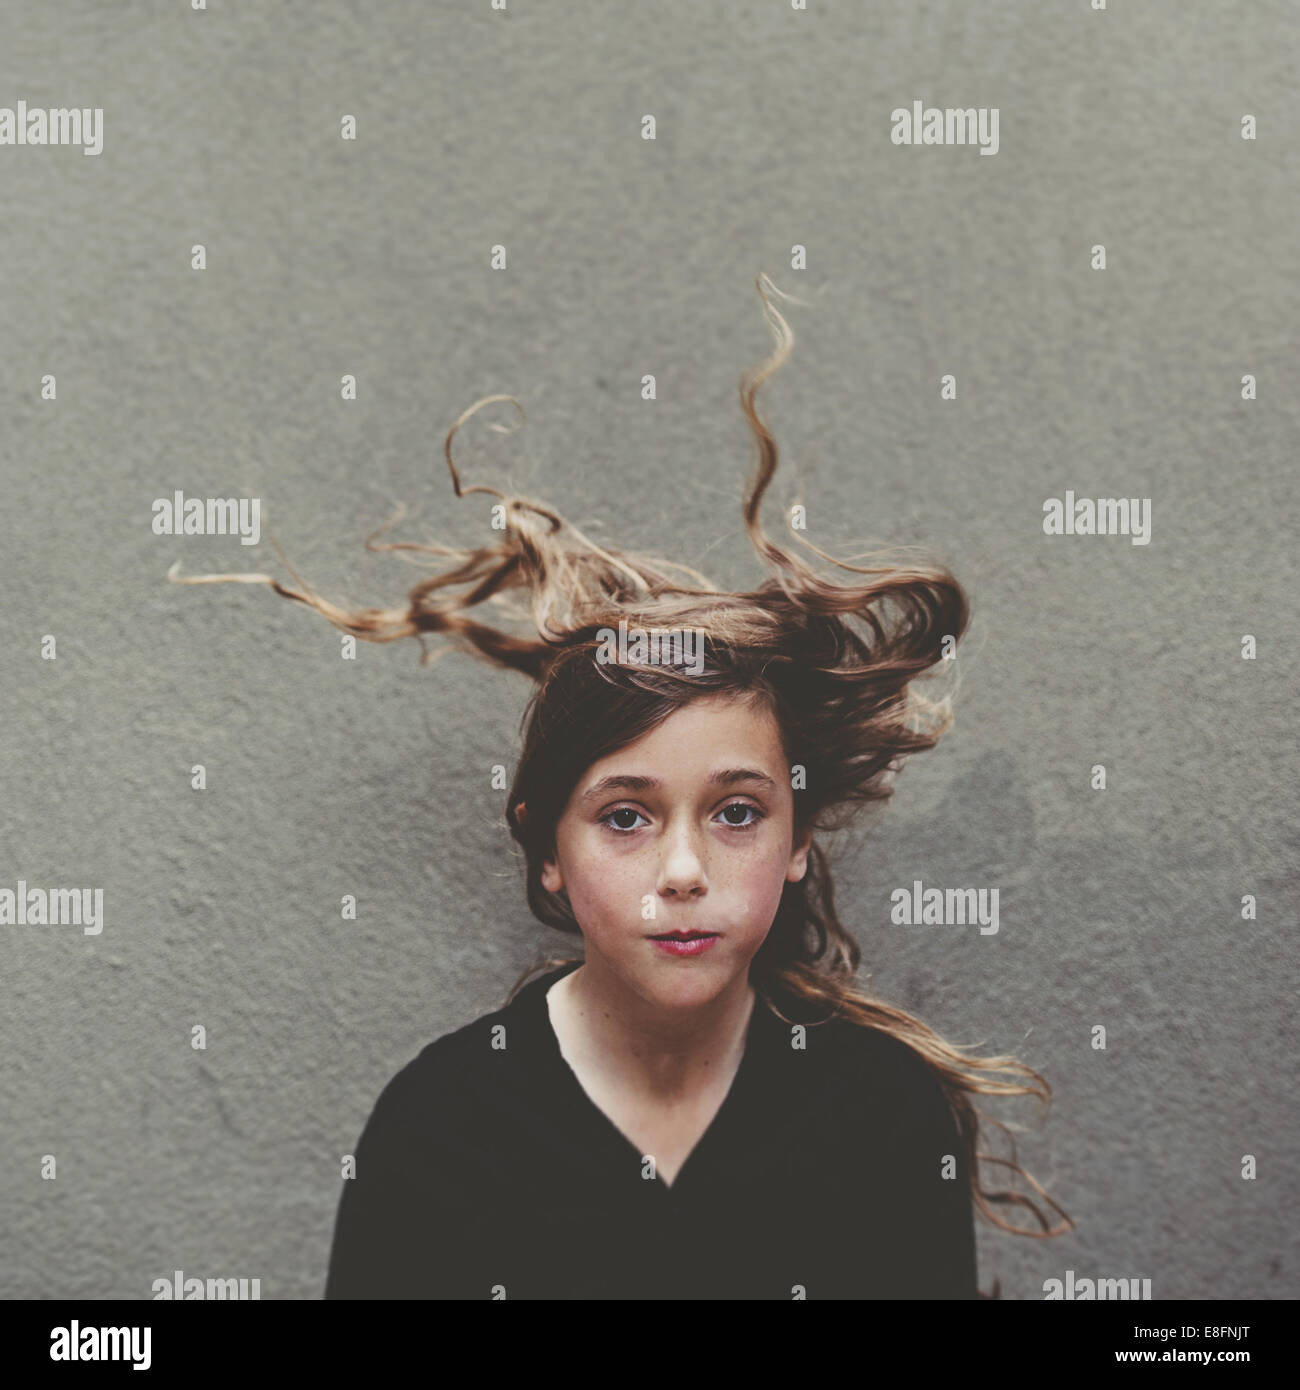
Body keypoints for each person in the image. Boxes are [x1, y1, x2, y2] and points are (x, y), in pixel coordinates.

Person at [172, 273, 1071, 1299]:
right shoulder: (441, 1128)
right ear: (546, 847)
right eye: (625, 817)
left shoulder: (882, 1117)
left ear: (799, 836)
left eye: (737, 812)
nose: (682, 871)